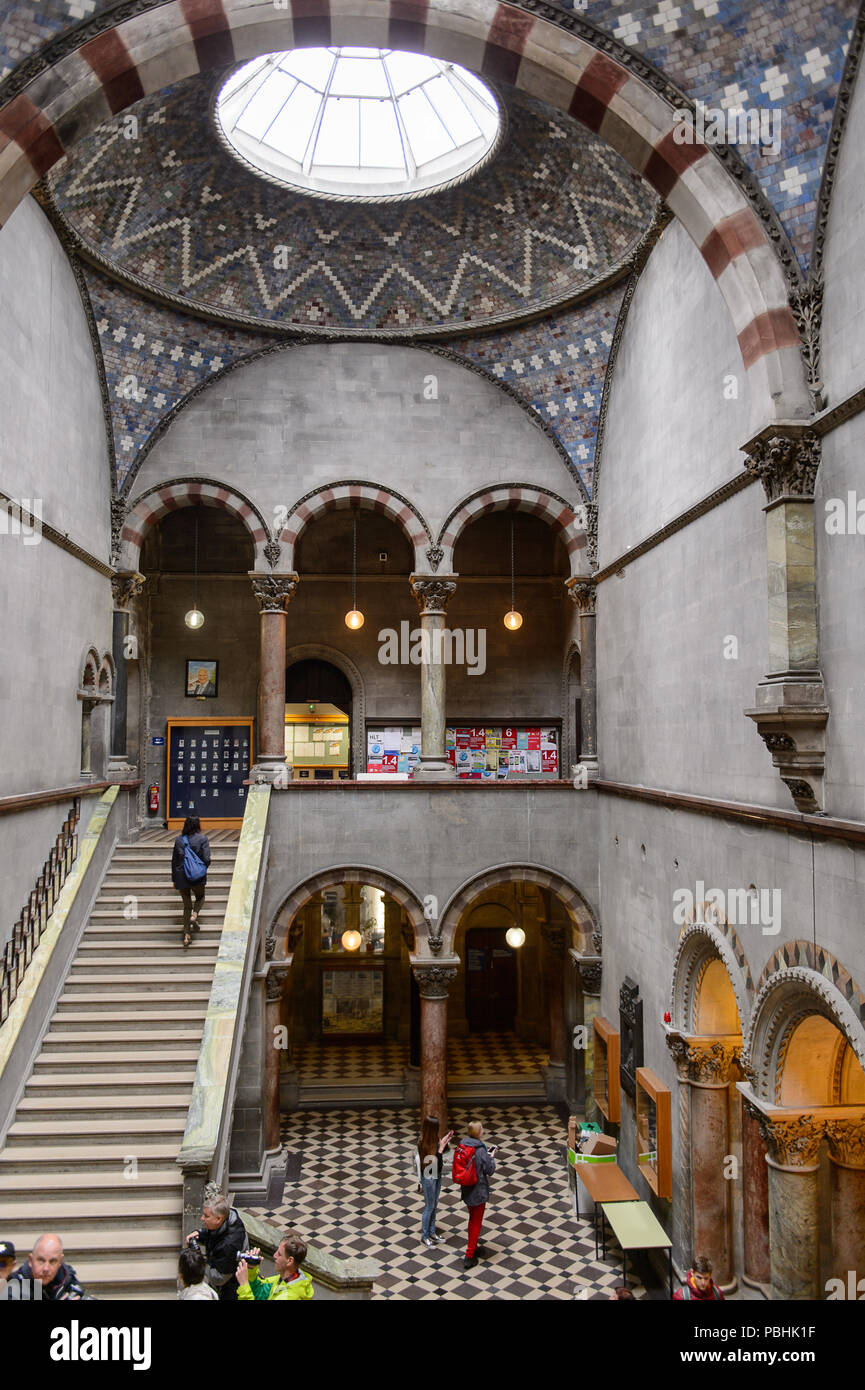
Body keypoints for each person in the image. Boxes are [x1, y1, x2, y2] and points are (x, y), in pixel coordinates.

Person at [453, 1119, 497, 1271]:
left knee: (472, 1219)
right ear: (478, 1133)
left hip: (467, 1189)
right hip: (478, 1191)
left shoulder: (463, 1145)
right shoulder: (480, 1150)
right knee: (476, 1222)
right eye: (482, 1129)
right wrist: (491, 1157)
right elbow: (490, 1170)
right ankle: (469, 1255)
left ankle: (474, 1246)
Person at [186, 1196, 247, 1301]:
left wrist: (200, 1262)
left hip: (230, 1288)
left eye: (206, 1216)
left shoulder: (229, 1244)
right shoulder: (228, 1216)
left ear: (219, 1219)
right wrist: (200, 1234)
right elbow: (215, 1232)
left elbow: (219, 1278)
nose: (202, 1218)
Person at [8, 1234, 89, 1299]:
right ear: (30, 1260)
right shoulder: (14, 1285)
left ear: (60, 1262)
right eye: (41, 1260)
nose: (46, 1268)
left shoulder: (68, 1280)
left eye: (52, 1262)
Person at [171, 813, 211, 947]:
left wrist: (174, 879)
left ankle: (187, 936)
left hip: (181, 877)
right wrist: (201, 868)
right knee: (200, 897)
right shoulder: (203, 839)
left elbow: (174, 861)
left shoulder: (179, 840)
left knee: (186, 905)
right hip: (196, 876)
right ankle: (194, 915)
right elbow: (207, 859)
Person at [236, 1234, 314, 1301]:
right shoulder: (288, 1279)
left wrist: (244, 1285)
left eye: (279, 1254)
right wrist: (251, 1269)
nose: (274, 1256)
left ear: (290, 1261)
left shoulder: (287, 1297)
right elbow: (261, 1294)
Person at [415, 1116, 453, 1247]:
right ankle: (424, 1236)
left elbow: (439, 1166)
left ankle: (432, 1232)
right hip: (429, 1178)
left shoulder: (433, 1140)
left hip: (436, 1176)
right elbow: (432, 1165)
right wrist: (440, 1149)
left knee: (434, 1205)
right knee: (429, 1206)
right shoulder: (423, 1144)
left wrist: (443, 1142)